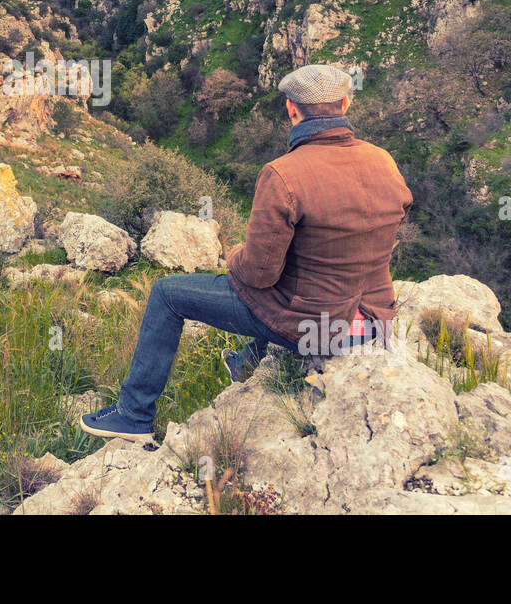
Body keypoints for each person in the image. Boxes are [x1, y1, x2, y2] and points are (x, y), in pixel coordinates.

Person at [80, 63, 413, 443]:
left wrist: (236, 253)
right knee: (293, 275)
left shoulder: (284, 173)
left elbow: (258, 275)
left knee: (167, 294)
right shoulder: (384, 161)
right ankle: (245, 364)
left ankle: (133, 415)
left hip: (316, 330)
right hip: (372, 323)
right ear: (345, 104)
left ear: (291, 108)